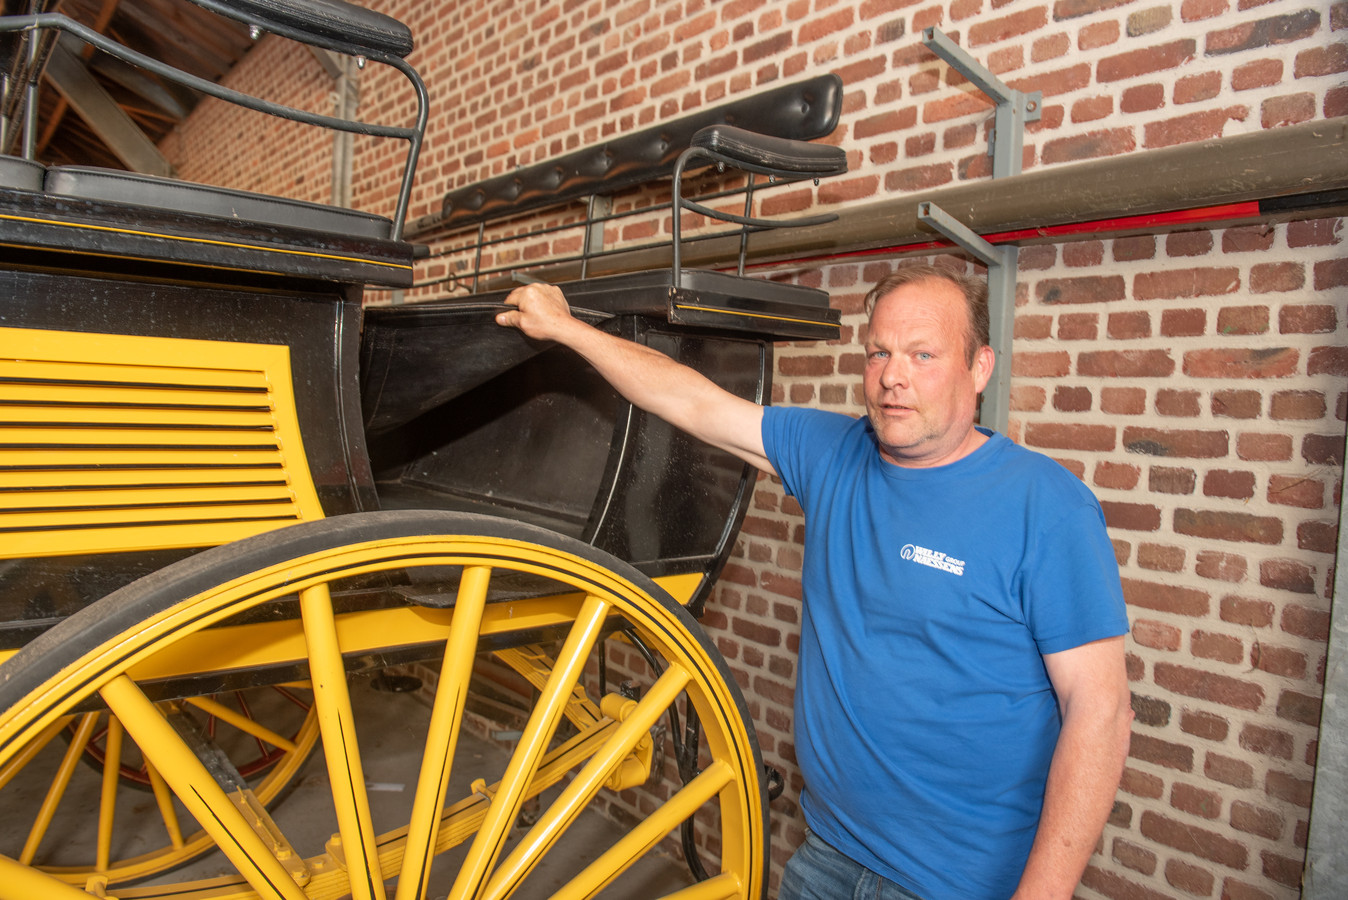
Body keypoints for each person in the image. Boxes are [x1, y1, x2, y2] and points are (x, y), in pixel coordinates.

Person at [496, 263, 1133, 900]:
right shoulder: (834, 453)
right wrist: (568, 329)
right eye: (879, 352)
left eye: (923, 354)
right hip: (828, 856)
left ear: (981, 368)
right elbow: (686, 398)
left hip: (963, 884)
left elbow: (1099, 712)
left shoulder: (1046, 508)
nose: (893, 376)